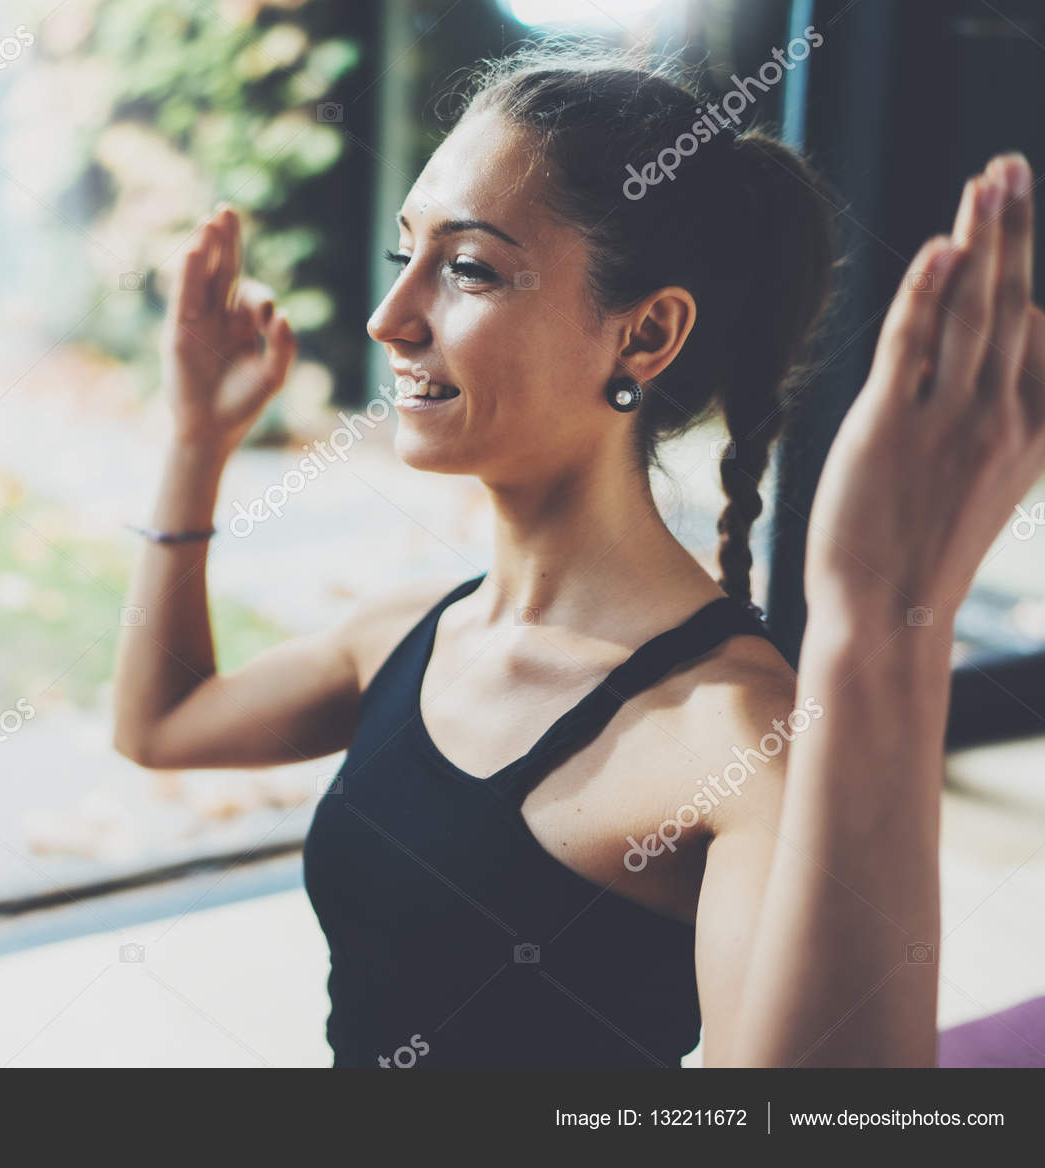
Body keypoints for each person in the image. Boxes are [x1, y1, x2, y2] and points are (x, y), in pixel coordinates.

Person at [110, 44, 1045, 1067]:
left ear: (643, 335)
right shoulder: (408, 634)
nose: (391, 317)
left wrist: (889, 625)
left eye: (466, 268)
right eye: (403, 254)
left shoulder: (736, 733)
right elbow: (162, 722)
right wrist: (194, 443)